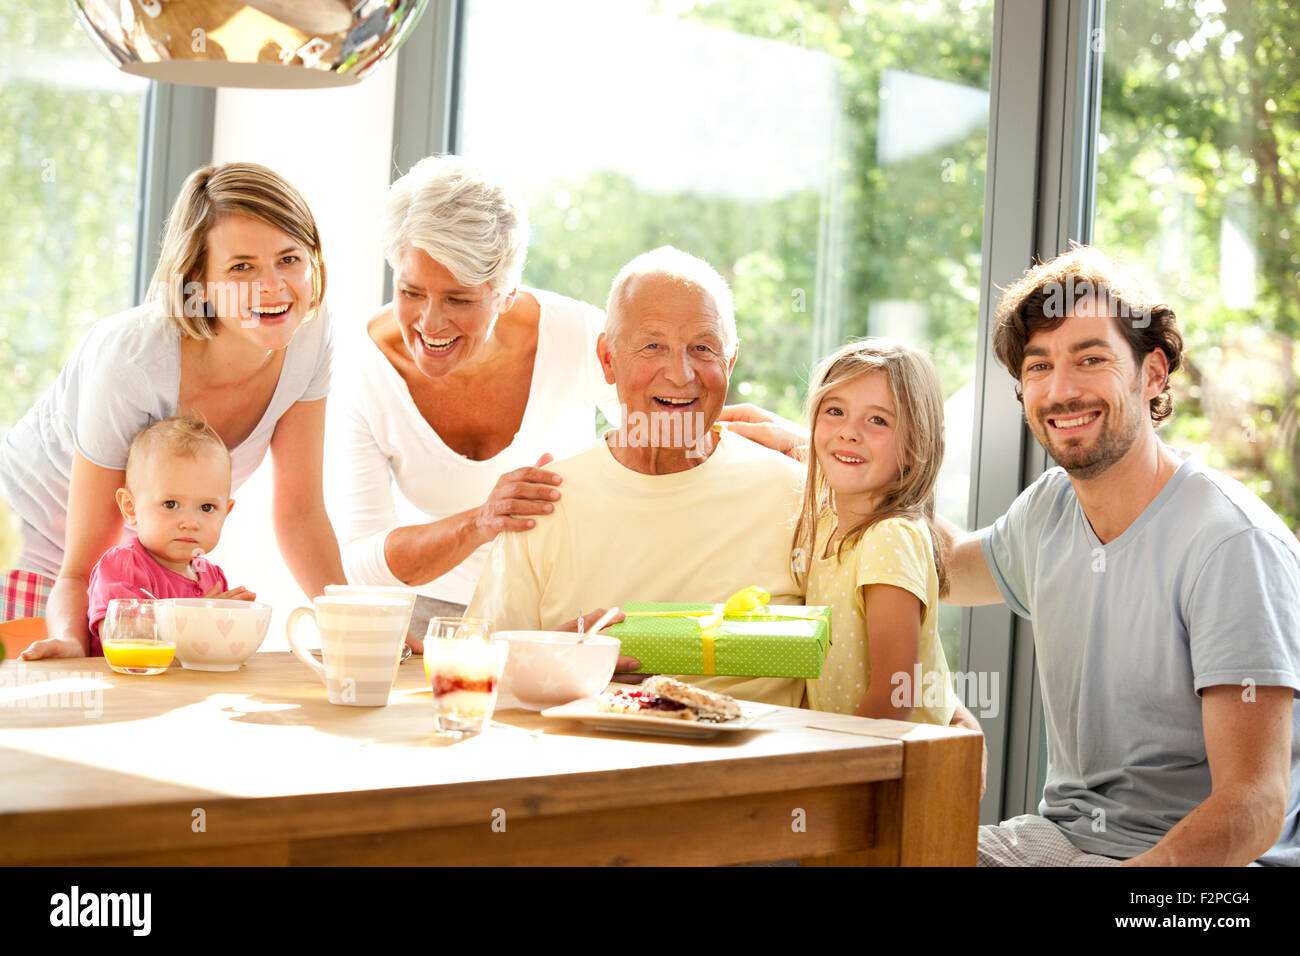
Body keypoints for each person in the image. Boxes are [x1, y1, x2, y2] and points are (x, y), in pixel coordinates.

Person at [937, 246, 1299, 865]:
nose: (1061, 390)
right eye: (1039, 366)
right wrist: (829, 455)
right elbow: (943, 570)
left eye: (1091, 359)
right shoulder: (1050, 506)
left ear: (1153, 373)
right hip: (1061, 841)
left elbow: (1254, 803)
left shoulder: (1231, 545)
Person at [2, 162, 346, 657]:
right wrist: (71, 643)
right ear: (199, 282)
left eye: (289, 258)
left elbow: (301, 510)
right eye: (241, 267)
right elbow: (81, 567)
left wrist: (356, 623)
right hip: (32, 554)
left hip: (140, 568)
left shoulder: (311, 332)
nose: (273, 287)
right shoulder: (133, 359)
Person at [467, 246, 806, 707]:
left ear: (729, 362)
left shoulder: (794, 491)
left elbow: (914, 579)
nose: (680, 373)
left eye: (702, 348)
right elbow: (471, 671)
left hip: (759, 767)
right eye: (653, 346)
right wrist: (544, 660)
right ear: (607, 358)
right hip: (589, 765)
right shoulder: (545, 502)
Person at [331, 156, 620, 646]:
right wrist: (480, 522)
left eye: (459, 299)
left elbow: (664, 450)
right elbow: (360, 561)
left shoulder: (578, 334)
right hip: (432, 618)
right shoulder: (364, 368)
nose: (430, 322)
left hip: (570, 609)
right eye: (411, 291)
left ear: (505, 295)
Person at [794, 339, 957, 724]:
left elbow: (894, 691)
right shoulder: (828, 524)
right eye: (835, 411)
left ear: (916, 442)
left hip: (885, 767)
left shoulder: (890, 536)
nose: (849, 433)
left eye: (878, 420)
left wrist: (844, 771)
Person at [86, 417, 254, 647]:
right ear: (130, 507)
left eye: (207, 507)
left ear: (225, 513)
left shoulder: (213, 578)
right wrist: (196, 619)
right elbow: (117, 631)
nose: (190, 522)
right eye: (171, 504)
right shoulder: (124, 565)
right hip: (133, 683)